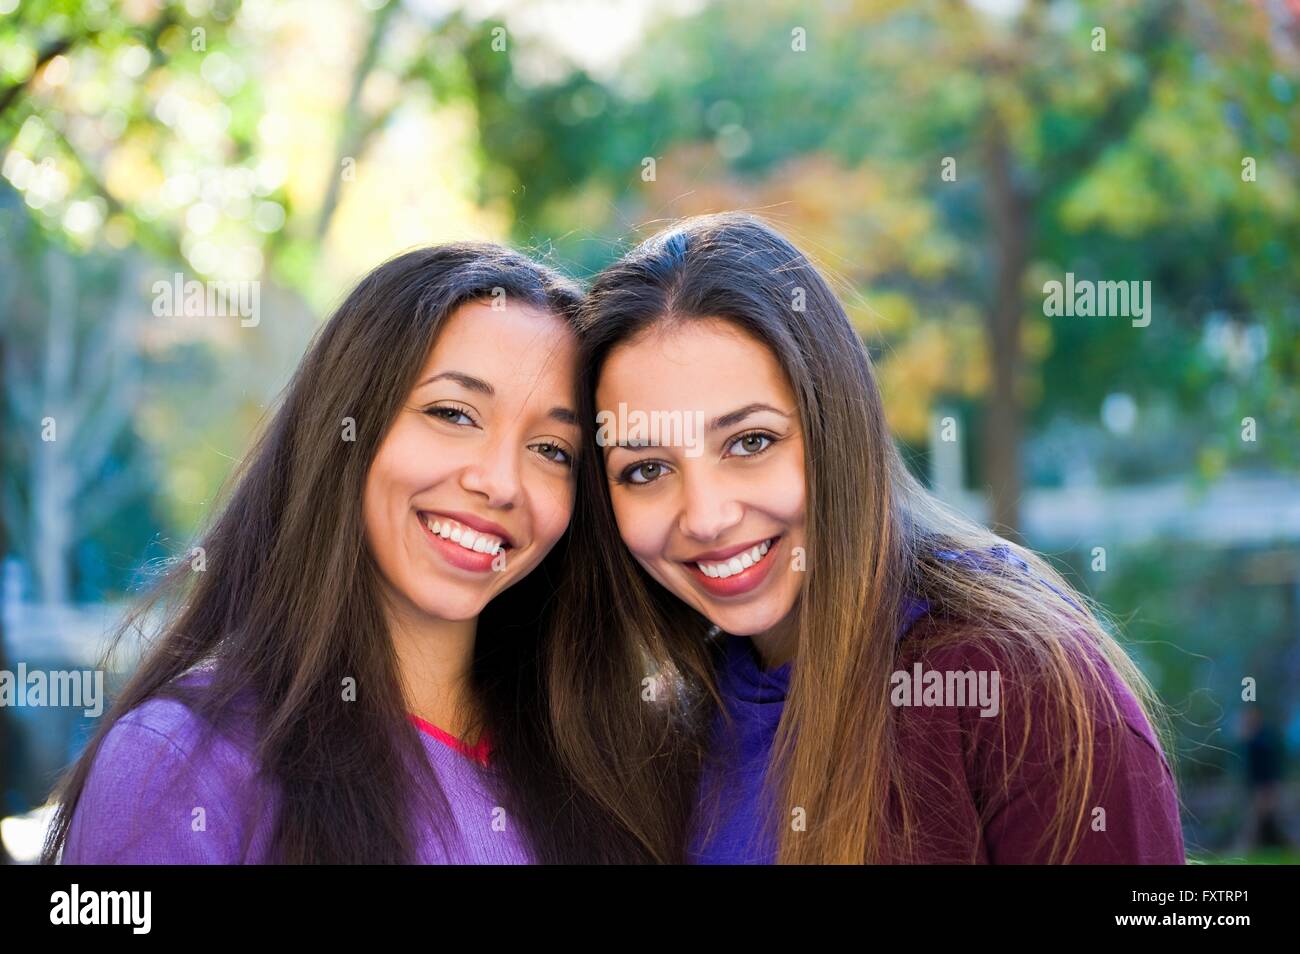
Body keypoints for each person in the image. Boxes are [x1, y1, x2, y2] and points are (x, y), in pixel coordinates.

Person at [550, 212, 1187, 863]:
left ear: (838, 429)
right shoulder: (677, 727)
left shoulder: (1016, 683)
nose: (706, 516)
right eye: (647, 469)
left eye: (751, 442)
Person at [44, 243, 671, 864]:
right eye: (453, 413)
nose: (501, 483)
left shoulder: (617, 769)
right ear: (346, 426)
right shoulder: (181, 762)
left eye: (552, 450)